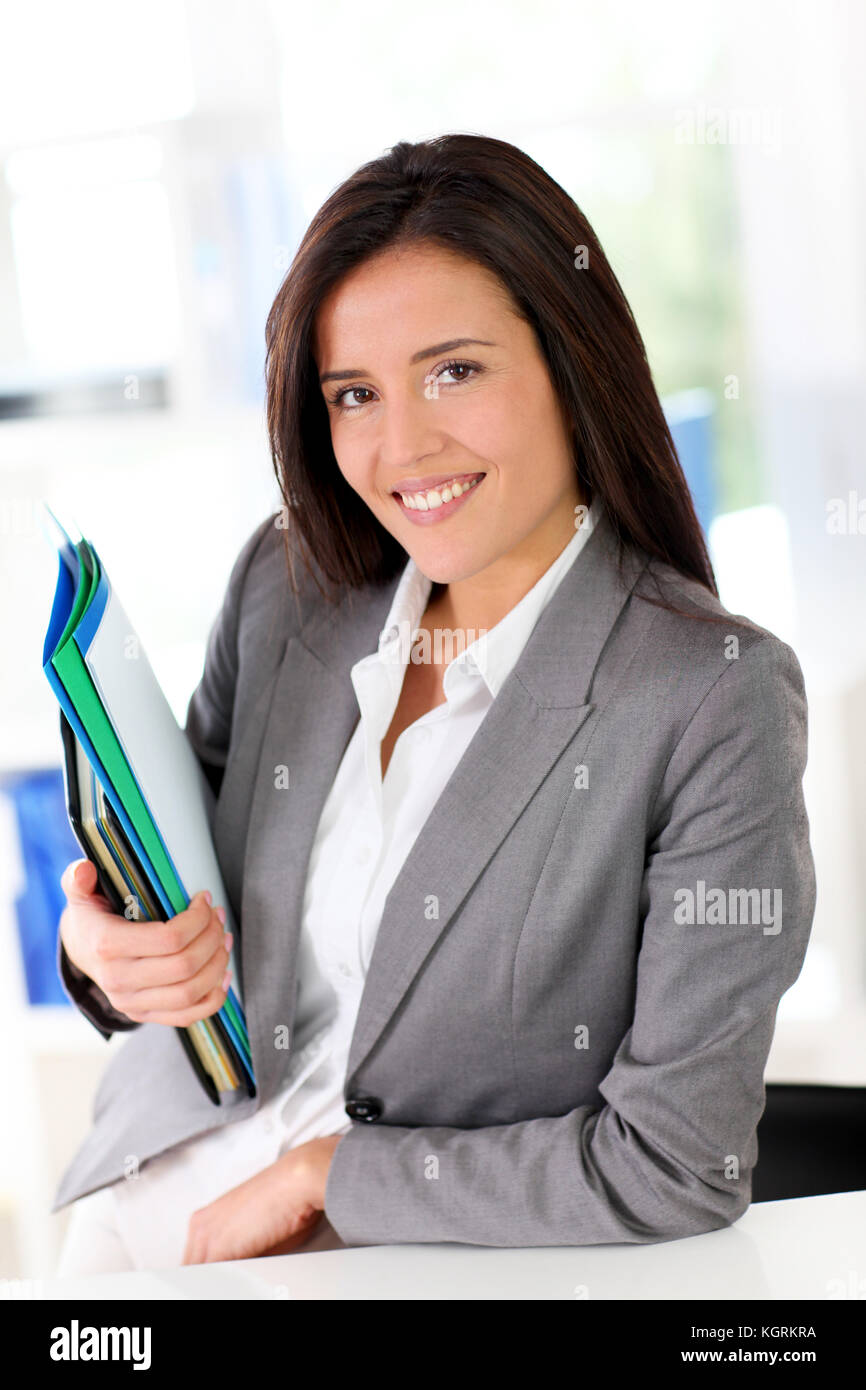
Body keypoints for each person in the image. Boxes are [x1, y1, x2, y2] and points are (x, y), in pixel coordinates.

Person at [54, 133, 816, 1273]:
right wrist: (102, 952)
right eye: (353, 393)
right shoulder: (289, 584)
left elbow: (672, 1161)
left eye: (453, 370)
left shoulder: (710, 702)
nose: (402, 445)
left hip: (384, 1262)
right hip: (123, 1223)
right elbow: (175, 873)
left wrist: (330, 1176)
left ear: (572, 363)